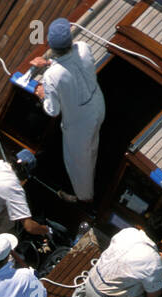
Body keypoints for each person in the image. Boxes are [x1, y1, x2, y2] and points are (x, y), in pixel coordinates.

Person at [29, 17, 106, 204]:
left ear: (51, 45)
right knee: (93, 145)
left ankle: (84, 198)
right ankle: (93, 169)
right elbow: (72, 65)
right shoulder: (83, 47)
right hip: (97, 106)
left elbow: (53, 110)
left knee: (77, 163)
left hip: (80, 124)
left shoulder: (51, 77)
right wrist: (48, 63)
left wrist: (41, 94)